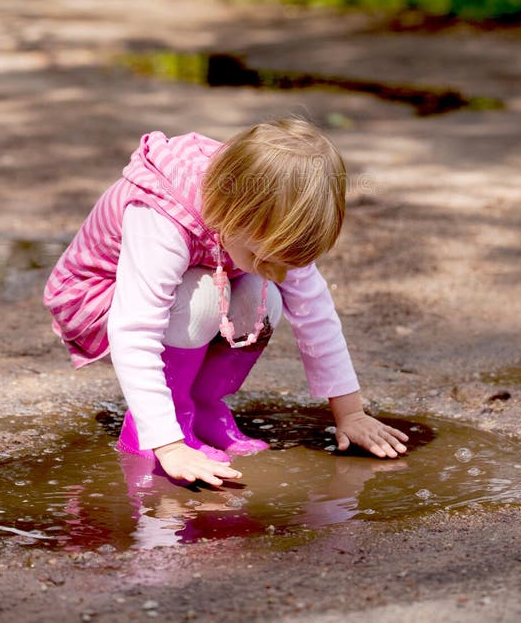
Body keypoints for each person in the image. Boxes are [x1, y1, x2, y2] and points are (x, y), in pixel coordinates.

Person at [43, 117, 408, 487]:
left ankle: (204, 407)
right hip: (99, 300)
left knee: (265, 299)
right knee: (200, 296)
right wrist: (167, 446)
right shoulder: (162, 215)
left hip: (188, 283)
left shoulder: (267, 219)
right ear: (230, 216)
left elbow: (316, 314)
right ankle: (161, 426)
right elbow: (134, 328)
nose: (277, 272)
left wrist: (351, 414)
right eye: (264, 257)